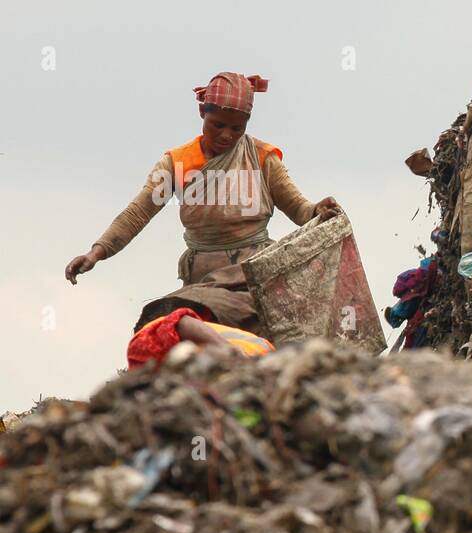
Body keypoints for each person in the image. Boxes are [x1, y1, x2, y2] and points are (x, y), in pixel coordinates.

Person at [65, 72, 342, 332]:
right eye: (217, 125)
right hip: (203, 278)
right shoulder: (177, 163)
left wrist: (318, 210)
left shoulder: (261, 158)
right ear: (202, 113)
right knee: (166, 322)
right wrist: (96, 253)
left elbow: (299, 208)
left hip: (256, 274)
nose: (226, 135)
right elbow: (137, 213)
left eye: (237, 128)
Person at [127, 307, 274, 369]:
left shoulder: (139, 353)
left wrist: (231, 351)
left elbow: (181, 321)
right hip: (265, 361)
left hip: (252, 358)